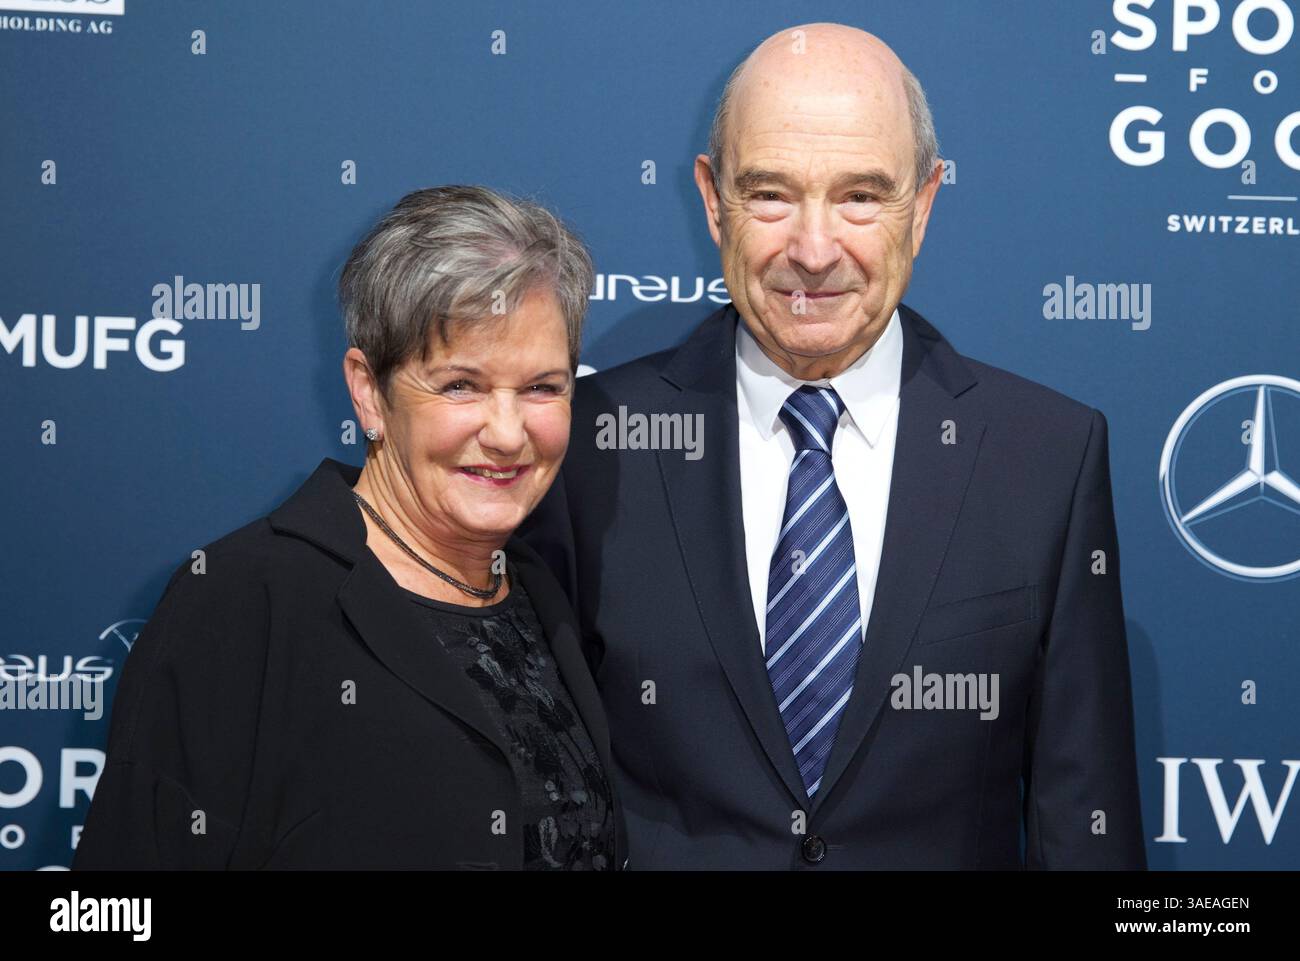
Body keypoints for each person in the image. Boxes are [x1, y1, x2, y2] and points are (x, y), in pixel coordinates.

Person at [520, 24, 1146, 869]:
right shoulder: (589, 442)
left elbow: (1086, 823)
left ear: (922, 206)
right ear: (712, 201)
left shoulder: (1047, 457)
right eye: (771, 194)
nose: (813, 252)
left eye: (860, 196)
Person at [75, 185, 625, 870]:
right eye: (461, 385)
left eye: (543, 387)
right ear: (368, 390)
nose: (509, 433)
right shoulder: (245, 602)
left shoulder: (540, 596)